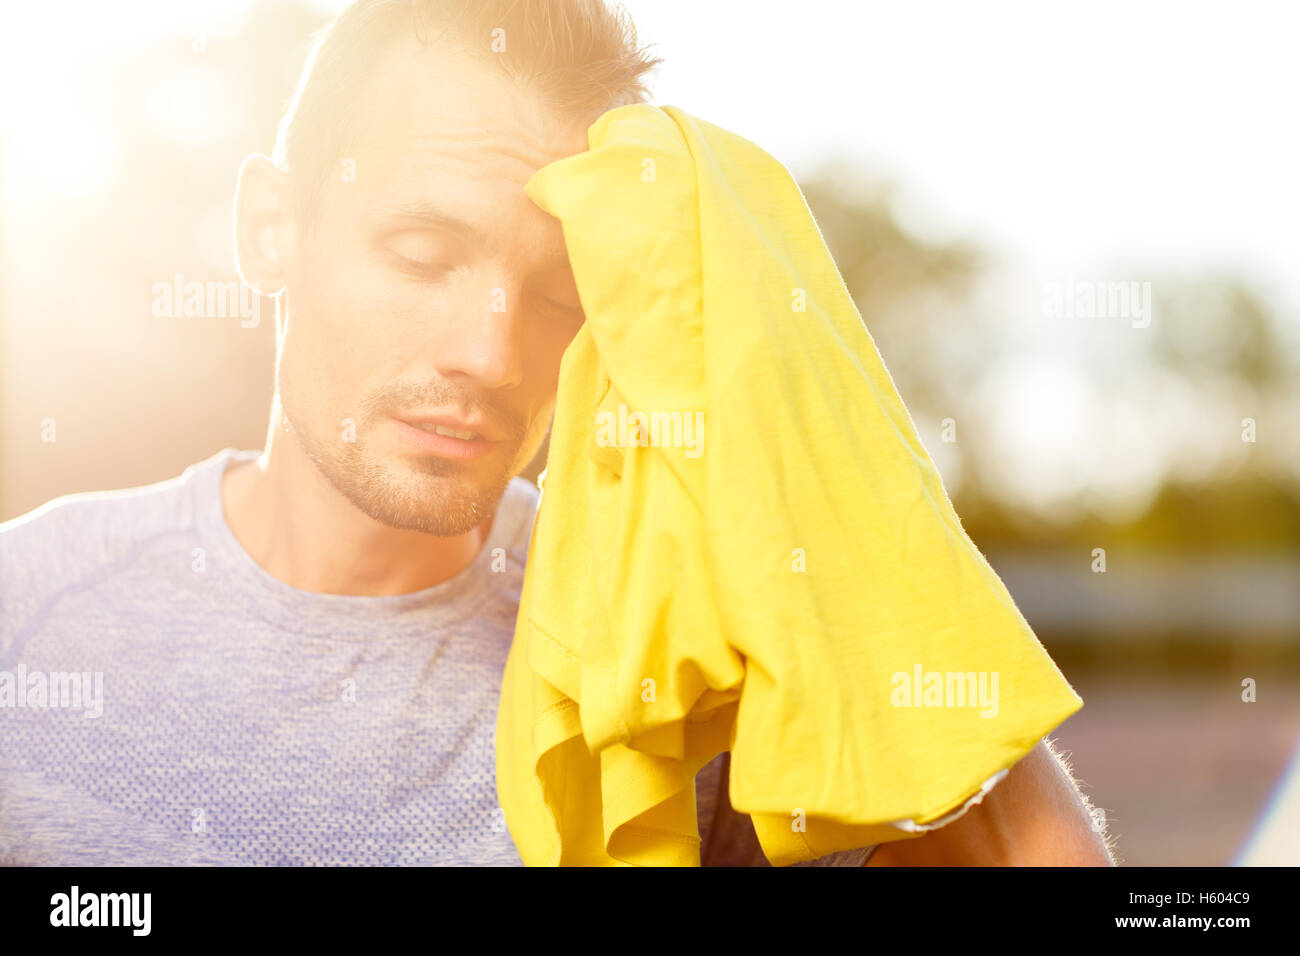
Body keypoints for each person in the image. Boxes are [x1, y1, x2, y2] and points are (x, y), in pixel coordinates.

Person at [0, 0, 1112, 866]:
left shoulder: (664, 655)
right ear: (271, 232)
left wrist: (821, 452)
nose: (491, 357)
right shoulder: (28, 616)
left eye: (561, 294)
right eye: (425, 256)